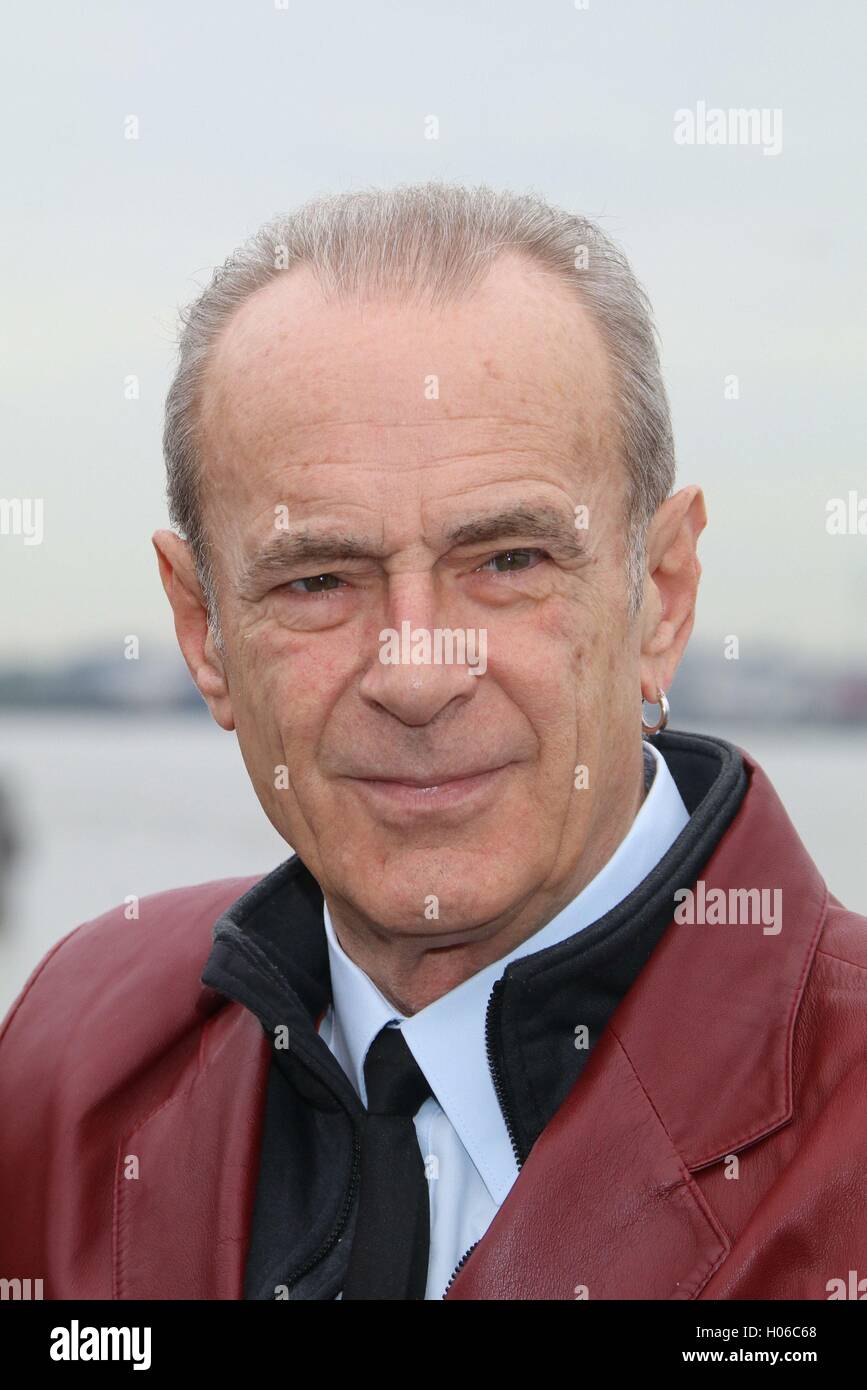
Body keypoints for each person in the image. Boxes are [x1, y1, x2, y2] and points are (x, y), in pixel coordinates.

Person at [1, 184, 865, 1300]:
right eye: (318, 580)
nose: (416, 675)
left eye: (509, 562)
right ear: (202, 629)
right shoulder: (68, 1057)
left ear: (661, 593)